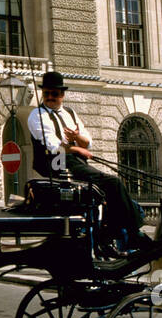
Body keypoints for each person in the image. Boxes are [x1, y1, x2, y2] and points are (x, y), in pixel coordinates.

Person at [27, 71, 148, 259]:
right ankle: (133, 234)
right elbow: (53, 146)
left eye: (55, 94)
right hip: (56, 164)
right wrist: (78, 150)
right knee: (113, 183)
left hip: (75, 162)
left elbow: (87, 141)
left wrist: (77, 139)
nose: (50, 98)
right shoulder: (37, 115)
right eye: (47, 93)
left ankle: (108, 237)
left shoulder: (70, 113)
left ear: (62, 95)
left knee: (109, 189)